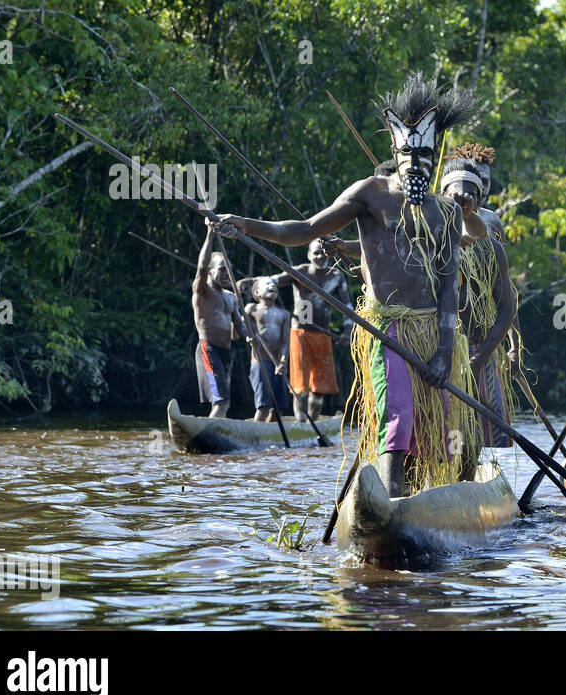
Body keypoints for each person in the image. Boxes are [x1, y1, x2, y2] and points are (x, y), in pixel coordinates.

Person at [213, 72, 481, 496]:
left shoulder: (446, 213)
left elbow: (449, 282)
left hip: (432, 331)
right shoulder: (370, 194)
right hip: (386, 328)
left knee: (435, 429)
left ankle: (416, 504)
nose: (417, 162)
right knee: (399, 414)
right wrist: (244, 225)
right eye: (408, 152)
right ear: (395, 149)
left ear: (435, 155)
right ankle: (390, 497)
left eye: (425, 155)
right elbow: (301, 230)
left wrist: (446, 350)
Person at [442, 145, 517, 461]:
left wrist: (511, 346)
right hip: (436, 347)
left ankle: (466, 486)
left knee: (471, 433)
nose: (474, 193)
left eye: (481, 186)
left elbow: (506, 299)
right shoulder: (430, 229)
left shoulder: (491, 230)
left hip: (479, 343)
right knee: (441, 430)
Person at [270, 239, 353, 421]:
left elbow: (347, 307)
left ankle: (312, 424)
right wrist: (254, 283)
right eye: (315, 253)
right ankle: (301, 423)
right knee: (301, 386)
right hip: (301, 334)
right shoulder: (300, 272)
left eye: (323, 253)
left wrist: (347, 331)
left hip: (323, 335)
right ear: (308, 255)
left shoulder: (336, 275)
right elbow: (273, 281)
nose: (319, 256)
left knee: (320, 388)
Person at [191, 225, 245, 417]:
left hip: (225, 353)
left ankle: (216, 436)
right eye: (222, 270)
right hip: (209, 349)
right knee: (220, 400)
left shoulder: (231, 296)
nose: (226, 274)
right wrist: (209, 235)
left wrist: (252, 340)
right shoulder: (203, 291)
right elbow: (202, 266)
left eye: (228, 271)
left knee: (225, 401)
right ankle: (208, 436)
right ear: (212, 271)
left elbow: (239, 325)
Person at [241, 276, 291, 423]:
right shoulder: (251, 308)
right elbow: (239, 330)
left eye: (275, 285)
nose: (272, 286)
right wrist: (248, 337)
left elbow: (285, 341)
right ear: (257, 293)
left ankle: (270, 433)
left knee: (279, 408)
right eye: (267, 284)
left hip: (277, 364)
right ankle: (255, 434)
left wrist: (283, 362)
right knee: (263, 405)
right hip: (260, 362)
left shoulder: (284, 314)